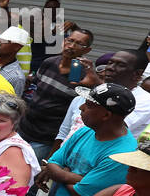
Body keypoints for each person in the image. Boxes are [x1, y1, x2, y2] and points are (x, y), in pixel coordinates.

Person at [37, 82, 138, 196]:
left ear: (106, 115)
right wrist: (81, 179)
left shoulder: (122, 155)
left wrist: (63, 174)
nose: (81, 107)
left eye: (89, 105)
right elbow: (53, 163)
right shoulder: (87, 130)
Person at [20, 23, 99, 159]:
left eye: (79, 44)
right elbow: (35, 89)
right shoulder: (49, 62)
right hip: (24, 128)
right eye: (70, 40)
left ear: (87, 50)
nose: (72, 46)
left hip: (45, 138)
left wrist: (94, 82)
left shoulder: (83, 76)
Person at [50, 50, 150, 147]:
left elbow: (110, 127)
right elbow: (64, 133)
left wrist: (97, 84)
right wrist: (50, 161)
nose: (110, 67)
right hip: (64, 158)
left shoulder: (145, 100)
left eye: (120, 65)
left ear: (137, 74)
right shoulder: (90, 93)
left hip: (101, 161)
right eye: (110, 63)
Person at [0, 26, 30, 98]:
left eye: (6, 41)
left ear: (17, 47)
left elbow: (10, 105)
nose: (0, 42)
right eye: (0, 39)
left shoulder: (17, 78)